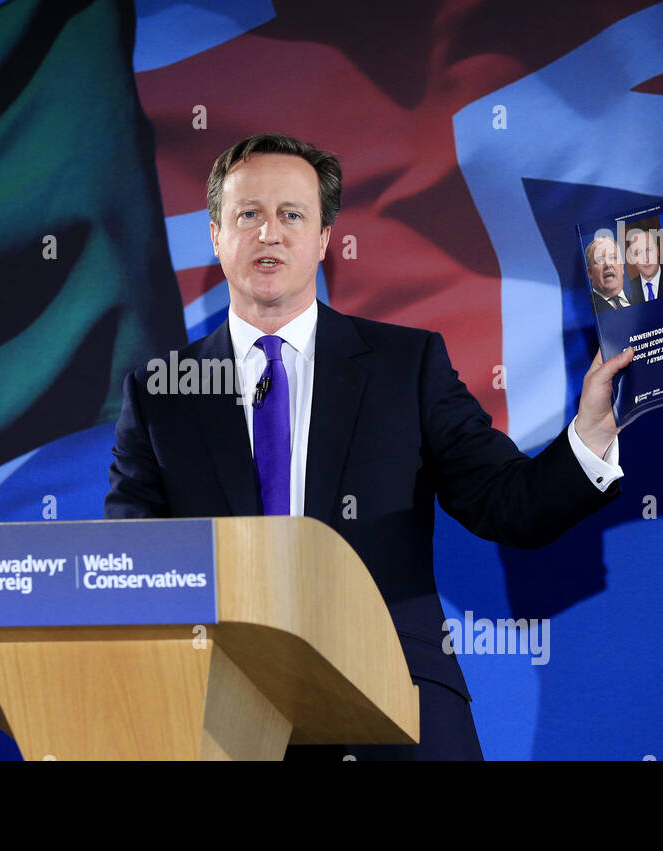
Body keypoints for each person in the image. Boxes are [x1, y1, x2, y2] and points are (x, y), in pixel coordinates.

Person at [104, 133, 633, 760]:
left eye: (292, 215)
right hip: (220, 712)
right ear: (216, 236)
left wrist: (593, 432)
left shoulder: (404, 364)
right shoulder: (161, 392)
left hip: (395, 702)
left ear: (325, 238)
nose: (269, 234)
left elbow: (507, 502)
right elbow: (131, 569)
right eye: (248, 215)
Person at [625, 219, 663, 302]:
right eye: (638, 252)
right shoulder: (628, 293)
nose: (646, 259)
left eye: (649, 250)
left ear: (657, 250)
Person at [586, 234, 631, 312]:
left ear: (621, 267)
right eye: (600, 260)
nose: (608, 264)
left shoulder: (640, 301)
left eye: (612, 257)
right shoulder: (586, 310)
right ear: (590, 273)